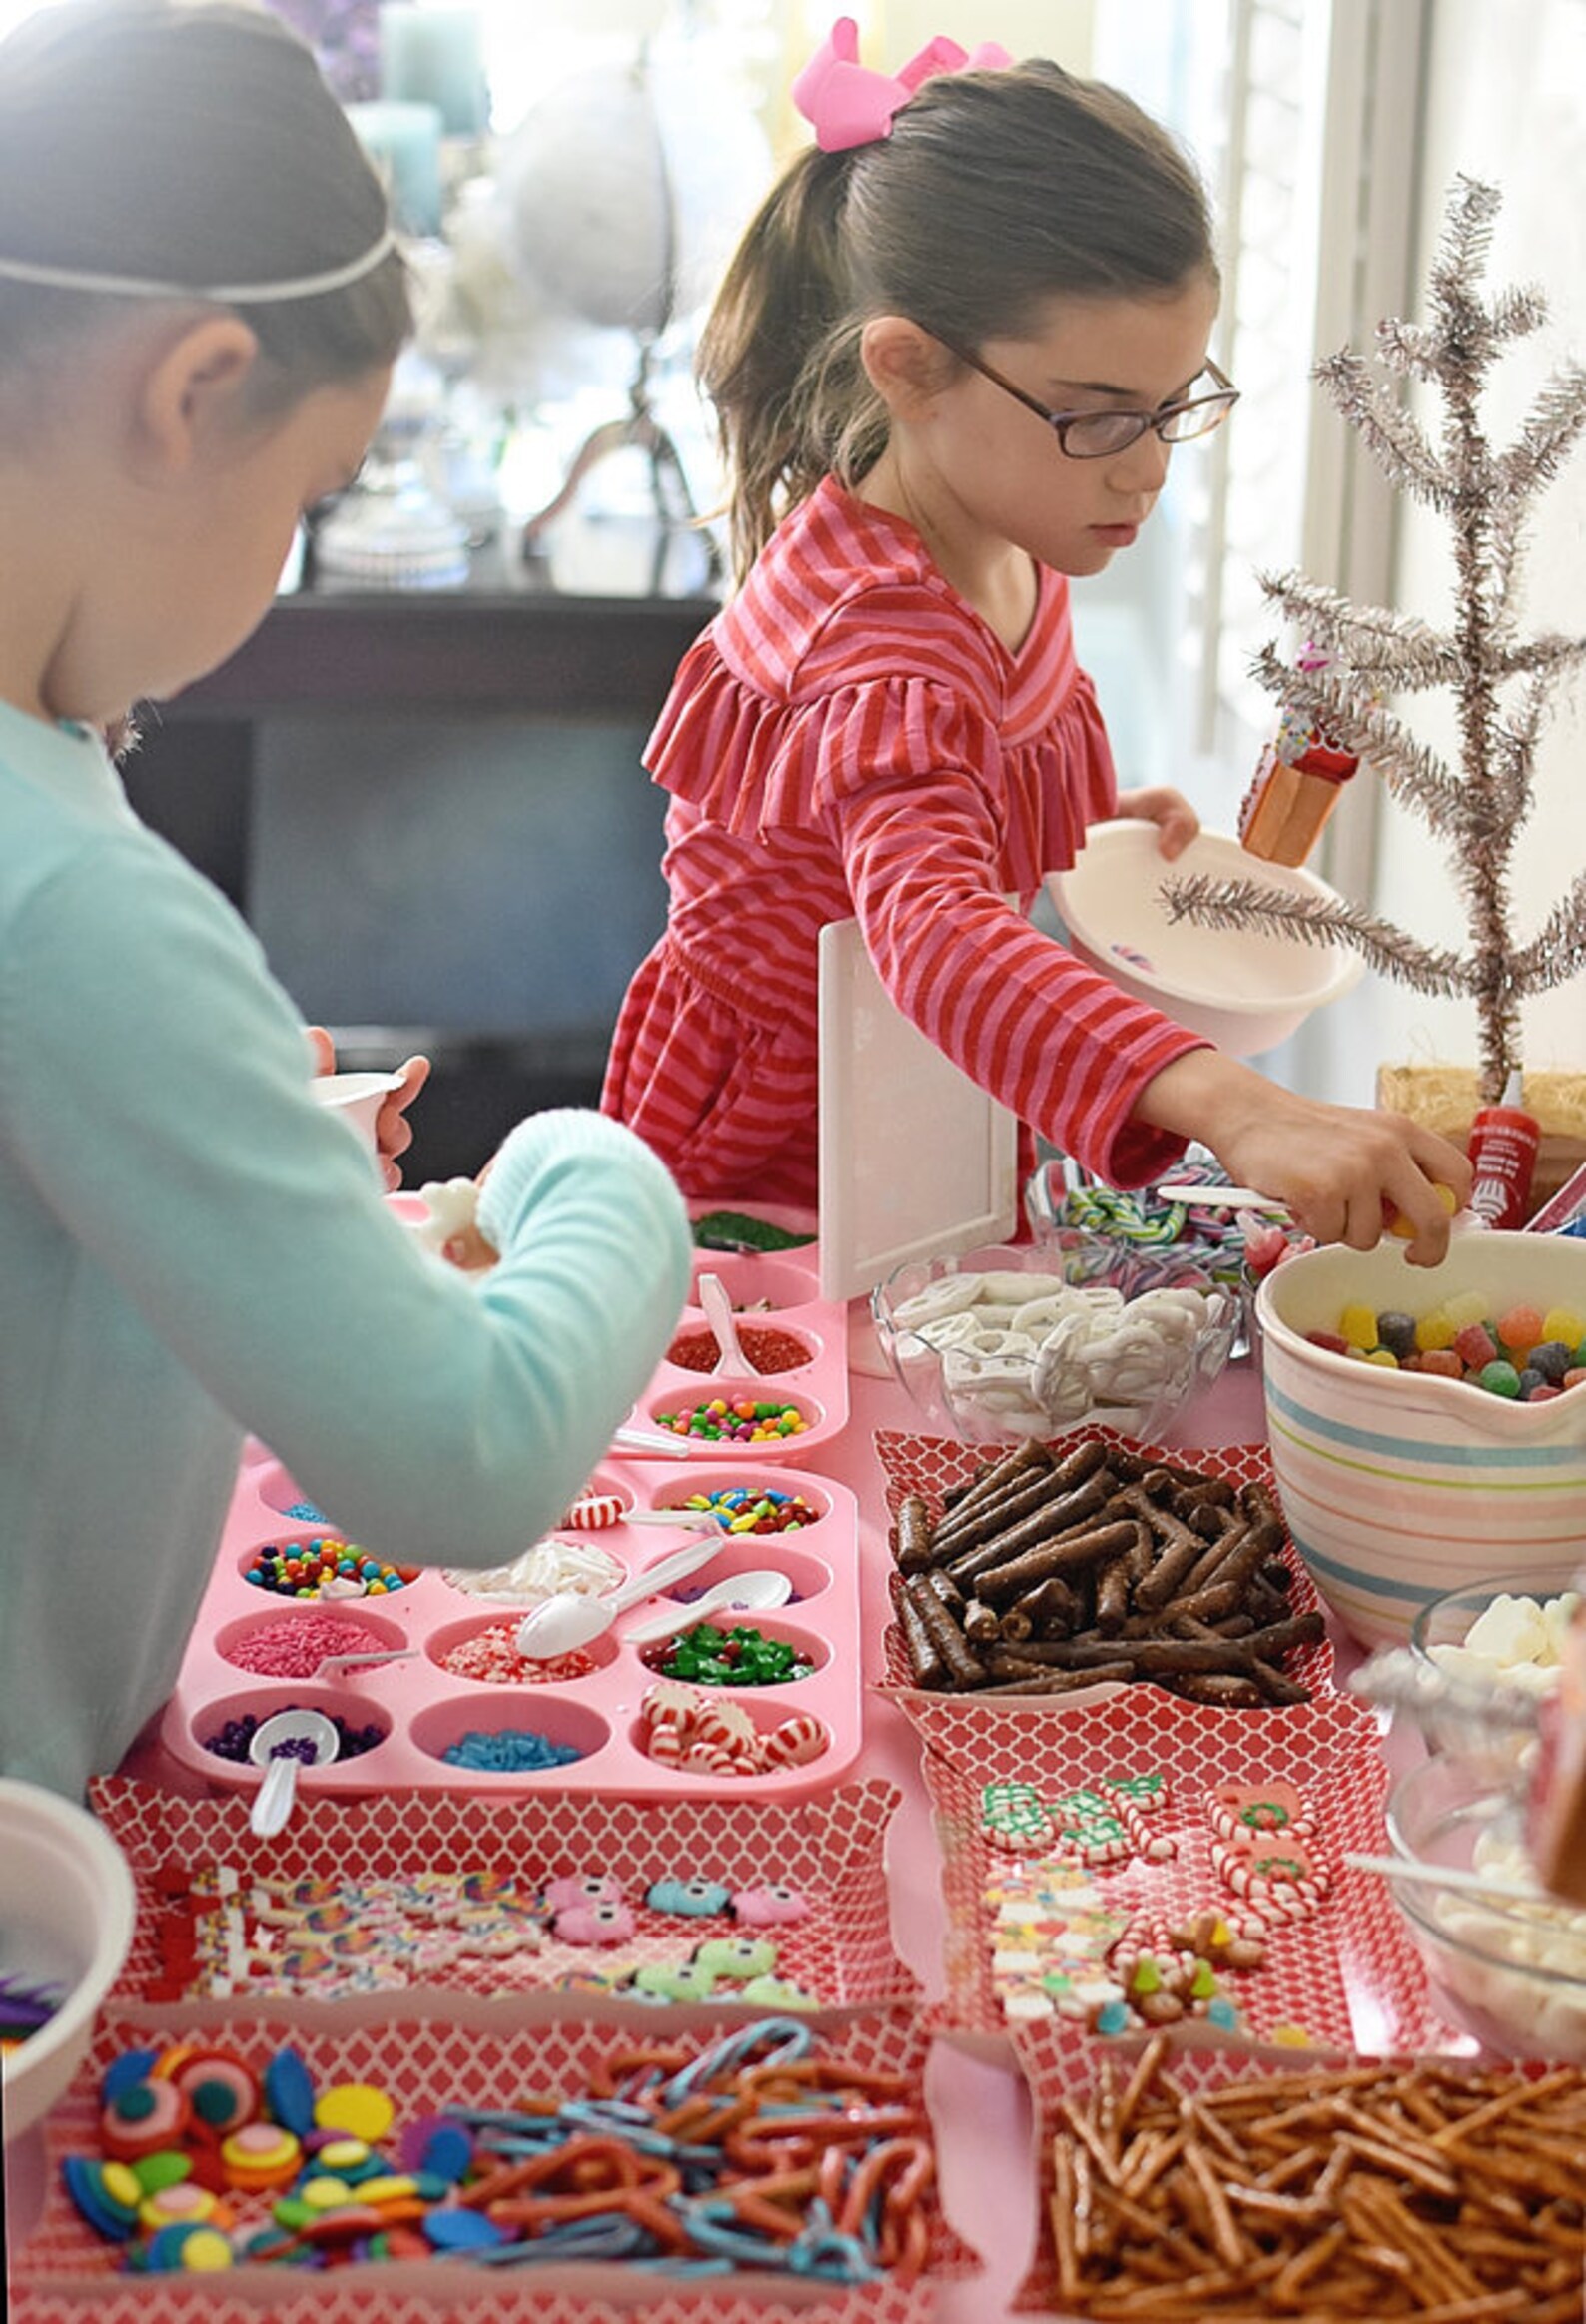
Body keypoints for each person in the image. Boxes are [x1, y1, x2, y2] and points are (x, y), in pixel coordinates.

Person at [0, 0, 691, 1801]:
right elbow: (461, 1463)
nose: (284, 560)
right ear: (192, 390)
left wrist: (217, 1105)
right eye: (306, 498)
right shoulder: (73, 898)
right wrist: (594, 1162)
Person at [601, 19, 1470, 1262]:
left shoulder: (1016, 520)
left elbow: (890, 818)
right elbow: (932, 924)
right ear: (907, 369)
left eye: (1175, 406)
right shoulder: (881, 646)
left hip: (915, 1096)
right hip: (779, 1153)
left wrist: (1080, 815)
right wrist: (1240, 1102)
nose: (1150, 470)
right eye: (1098, 418)